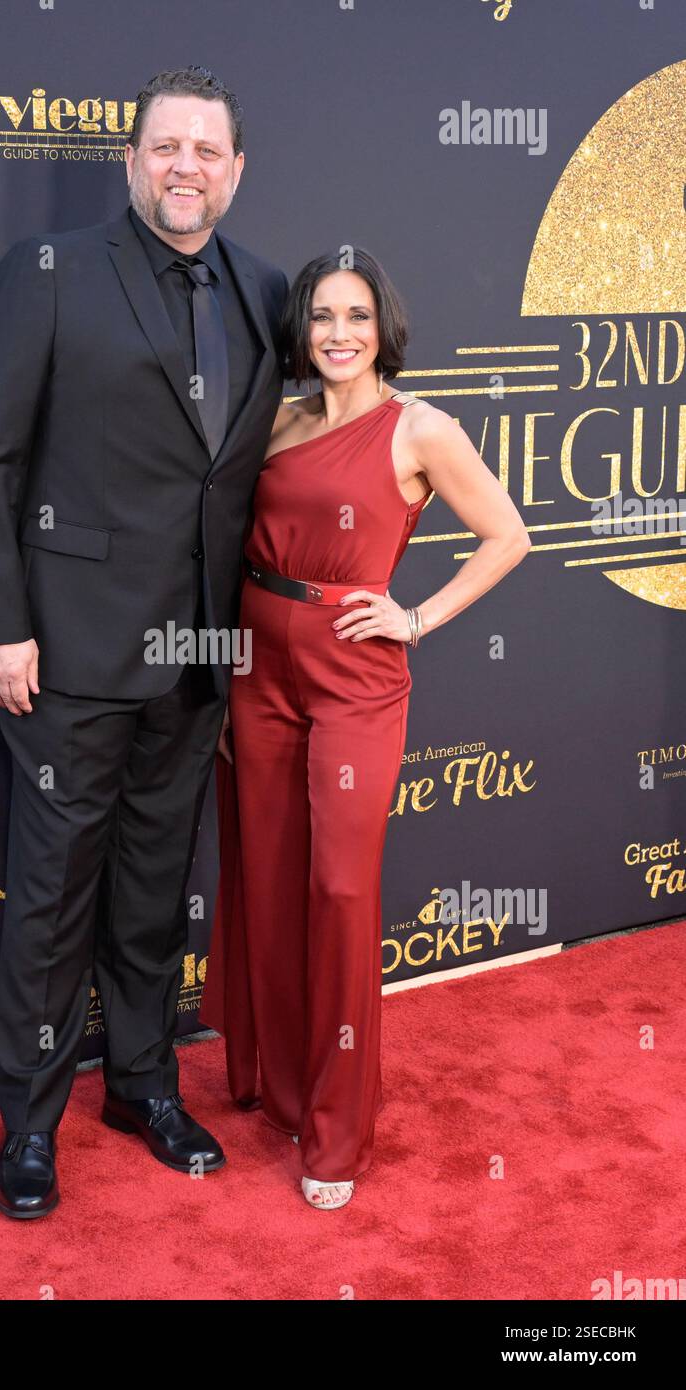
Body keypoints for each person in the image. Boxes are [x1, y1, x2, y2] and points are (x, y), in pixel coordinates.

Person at [0, 66, 288, 1218]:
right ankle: (29, 1124)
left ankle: (143, 1084)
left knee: (153, 892)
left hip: (198, 658)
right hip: (70, 652)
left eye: (207, 149)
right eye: (165, 147)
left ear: (236, 171)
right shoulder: (51, 274)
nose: (185, 165)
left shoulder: (264, 286)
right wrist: (1, 624)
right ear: (131, 159)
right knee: (50, 897)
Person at [200, 249, 530, 1210]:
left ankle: (335, 1136)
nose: (336, 334)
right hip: (256, 666)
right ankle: (277, 1087)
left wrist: (416, 618)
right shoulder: (278, 419)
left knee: (339, 888)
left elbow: (507, 536)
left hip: (354, 677)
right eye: (318, 317)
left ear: (383, 325)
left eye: (354, 316)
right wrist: (223, 671)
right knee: (263, 873)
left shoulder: (423, 428)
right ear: (298, 332)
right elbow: (224, 548)